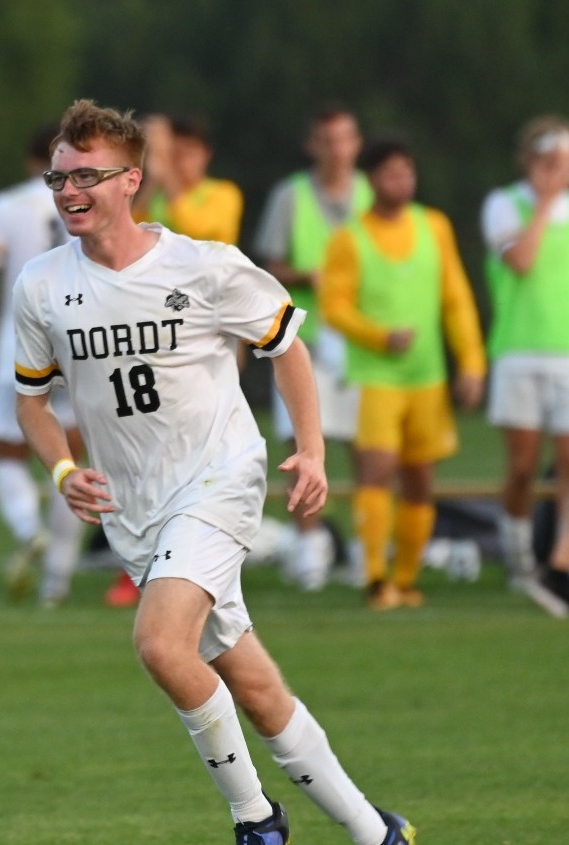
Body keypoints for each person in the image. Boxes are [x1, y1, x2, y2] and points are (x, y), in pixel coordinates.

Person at [14, 98, 414, 845]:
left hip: (218, 479)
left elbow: (284, 341)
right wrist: (64, 467)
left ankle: (255, 819)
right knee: (257, 689)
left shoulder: (203, 265)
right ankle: (375, 832)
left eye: (85, 176)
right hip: (137, 511)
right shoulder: (41, 285)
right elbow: (31, 401)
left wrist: (312, 448)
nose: (68, 191)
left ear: (130, 181)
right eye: (57, 177)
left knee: (160, 645)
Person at [319, 134, 486, 610]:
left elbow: (455, 299)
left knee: (420, 480)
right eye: (393, 173)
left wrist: (471, 361)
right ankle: (374, 576)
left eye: (408, 171)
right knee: (377, 473)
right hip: (376, 378)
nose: (403, 180)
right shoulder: (349, 239)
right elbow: (335, 308)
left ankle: (408, 578)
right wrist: (379, 336)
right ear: (372, 180)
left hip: (427, 377)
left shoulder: (434, 226)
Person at [101, 113, 246, 608]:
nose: (178, 159)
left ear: (204, 154)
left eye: (187, 150)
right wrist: (148, 177)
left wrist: (163, 171)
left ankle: (204, 558)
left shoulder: (222, 195)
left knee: (204, 449)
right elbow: (122, 231)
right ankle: (138, 564)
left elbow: (202, 236)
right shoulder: (155, 194)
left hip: (205, 340)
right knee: (143, 454)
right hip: (154, 338)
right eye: (170, 150)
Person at [0, 123, 85, 607]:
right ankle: (58, 583)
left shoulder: (8, 206)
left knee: (8, 452)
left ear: (32, 161)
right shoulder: (90, 198)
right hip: (79, 347)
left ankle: (31, 532)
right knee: (72, 463)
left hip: (21, 347)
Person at [254, 102, 370, 591]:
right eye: (327, 139)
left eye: (345, 138)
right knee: (300, 447)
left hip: (364, 337)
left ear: (357, 143)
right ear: (312, 145)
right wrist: (309, 275)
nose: (337, 149)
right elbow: (268, 263)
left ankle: (367, 547)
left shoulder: (370, 191)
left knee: (368, 449)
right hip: (307, 336)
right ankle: (310, 552)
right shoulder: (291, 195)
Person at [480, 115, 569, 616]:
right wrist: (544, 203)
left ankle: (559, 564)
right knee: (522, 465)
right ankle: (519, 558)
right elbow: (522, 261)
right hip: (519, 352)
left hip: (568, 353)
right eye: (552, 161)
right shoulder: (504, 205)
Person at [133, 114, 243, 245]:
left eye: (190, 154)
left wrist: (165, 165)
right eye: (175, 154)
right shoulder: (155, 196)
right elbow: (129, 234)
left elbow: (194, 228)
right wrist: (153, 178)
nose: (183, 162)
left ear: (207, 153)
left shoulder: (224, 192)